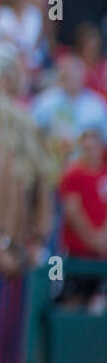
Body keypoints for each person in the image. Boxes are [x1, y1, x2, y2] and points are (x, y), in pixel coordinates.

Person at [56, 130, 107, 312]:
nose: (90, 148)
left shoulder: (104, 174)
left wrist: (102, 239)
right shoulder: (72, 174)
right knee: (69, 300)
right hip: (73, 254)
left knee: (98, 305)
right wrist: (93, 239)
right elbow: (72, 211)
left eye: (94, 143)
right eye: (86, 144)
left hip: (102, 256)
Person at [29, 54, 107, 154]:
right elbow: (33, 128)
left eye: (76, 77)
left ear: (84, 78)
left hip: (85, 161)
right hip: (52, 156)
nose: (73, 80)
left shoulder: (97, 105)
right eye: (69, 76)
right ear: (61, 77)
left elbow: (104, 138)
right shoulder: (46, 101)